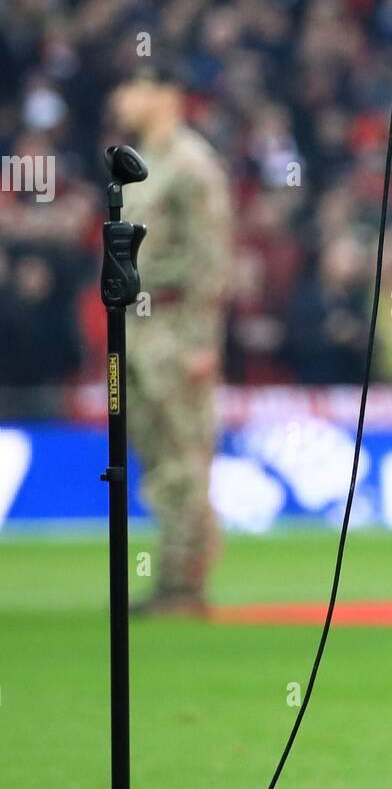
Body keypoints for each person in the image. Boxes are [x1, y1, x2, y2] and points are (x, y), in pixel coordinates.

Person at [110, 62, 233, 617]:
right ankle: (172, 571)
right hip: (137, 324)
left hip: (177, 325)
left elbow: (211, 259)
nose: (121, 98)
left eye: (133, 86)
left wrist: (204, 342)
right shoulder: (143, 162)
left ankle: (186, 582)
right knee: (155, 451)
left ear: (165, 93)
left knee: (185, 452)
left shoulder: (191, 164)